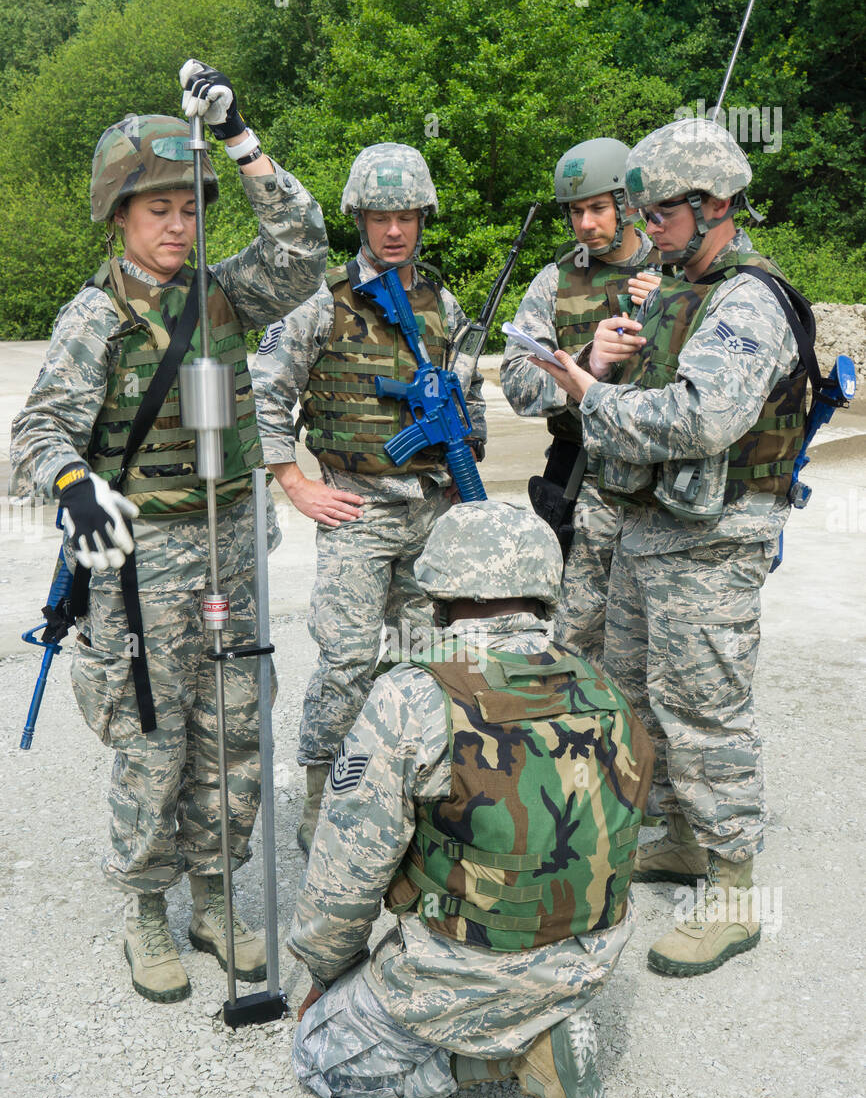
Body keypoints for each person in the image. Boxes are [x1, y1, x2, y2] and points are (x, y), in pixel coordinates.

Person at [10, 61, 328, 1003]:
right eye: (158, 211)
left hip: (234, 546)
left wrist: (242, 140)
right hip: (139, 568)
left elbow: (304, 249)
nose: (179, 226)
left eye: (189, 208)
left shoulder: (227, 295)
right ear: (119, 217)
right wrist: (73, 488)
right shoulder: (93, 318)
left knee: (233, 731)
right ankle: (149, 909)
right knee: (151, 740)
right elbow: (37, 432)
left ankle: (218, 895)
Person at [528, 118, 814, 976]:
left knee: (704, 709)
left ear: (714, 204)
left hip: (712, 544)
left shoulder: (747, 299)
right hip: (656, 534)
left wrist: (592, 397)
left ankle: (733, 889)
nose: (646, 225)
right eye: (644, 210)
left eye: (662, 211)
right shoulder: (685, 289)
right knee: (637, 700)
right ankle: (682, 840)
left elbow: (700, 418)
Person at [288, 502, 654, 1098]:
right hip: (589, 961)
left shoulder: (413, 695)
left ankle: (507, 1058)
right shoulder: (602, 686)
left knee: (315, 1054)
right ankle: (548, 1022)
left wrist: (323, 971)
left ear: (439, 594)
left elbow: (346, 871)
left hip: (465, 969)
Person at [251, 143, 486, 854]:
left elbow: (470, 399)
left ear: (422, 217)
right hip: (355, 509)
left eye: (406, 215)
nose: (393, 231)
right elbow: (264, 389)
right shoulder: (321, 302)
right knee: (347, 661)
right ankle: (324, 799)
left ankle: (414, 793)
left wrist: (462, 449)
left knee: (428, 659)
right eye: (380, 216)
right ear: (359, 217)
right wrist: (294, 482)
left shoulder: (443, 303)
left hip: (431, 510)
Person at [500, 138, 662, 667]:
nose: (585, 224)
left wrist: (671, 308)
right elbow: (517, 383)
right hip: (583, 480)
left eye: (597, 208)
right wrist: (584, 367)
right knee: (573, 649)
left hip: (662, 488)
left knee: (654, 653)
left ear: (628, 205)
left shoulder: (677, 271)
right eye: (575, 211)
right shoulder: (556, 280)